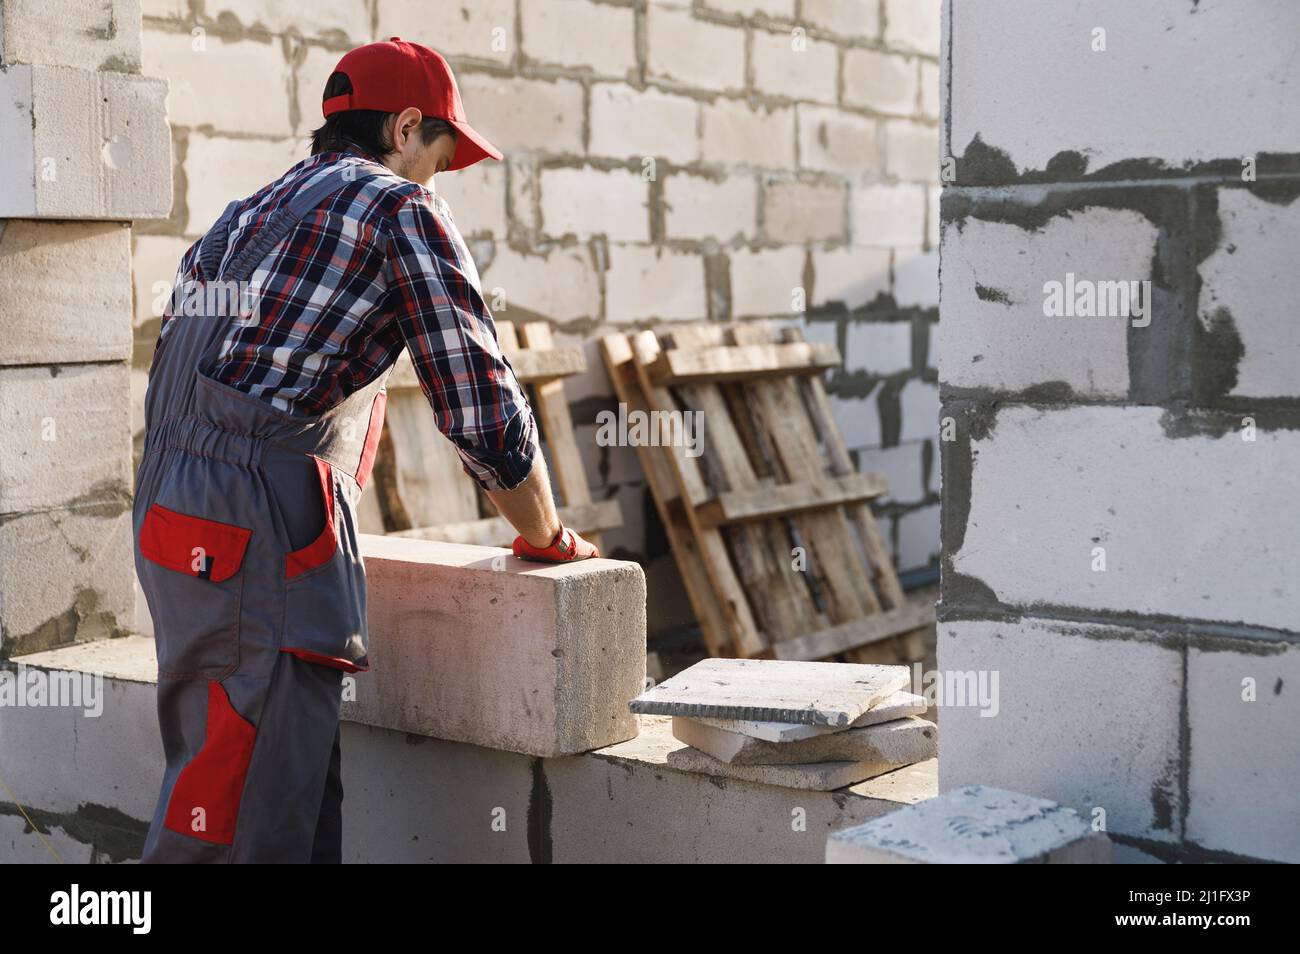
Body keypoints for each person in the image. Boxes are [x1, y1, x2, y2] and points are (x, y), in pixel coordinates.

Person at [133, 37, 598, 864]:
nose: (435, 181)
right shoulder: (397, 208)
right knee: (242, 827)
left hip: (177, 518)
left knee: (254, 781)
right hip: (256, 535)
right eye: (439, 157)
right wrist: (544, 535)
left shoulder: (246, 214)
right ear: (407, 125)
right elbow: (481, 407)